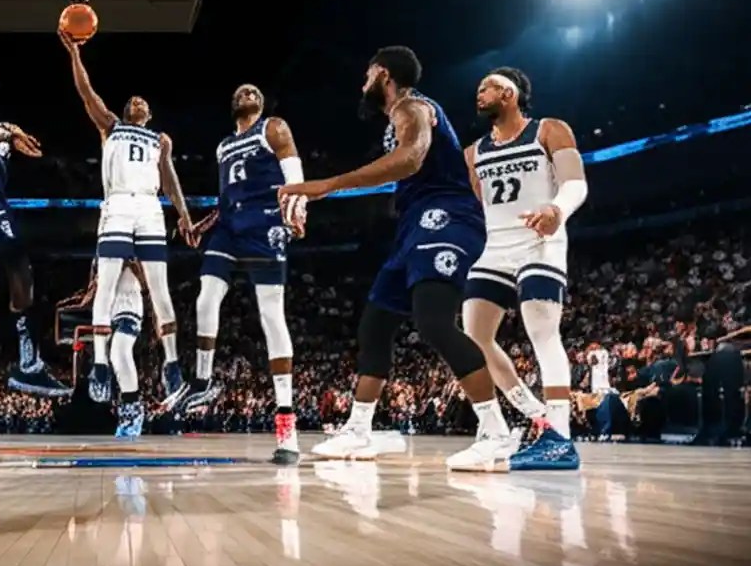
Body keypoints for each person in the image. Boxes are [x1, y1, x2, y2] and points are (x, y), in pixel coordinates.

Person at [281, 46, 512, 471]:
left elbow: (411, 157)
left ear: (382, 74)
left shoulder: (413, 106)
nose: (362, 83)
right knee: (376, 324)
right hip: (414, 226)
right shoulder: (397, 116)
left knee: (434, 321)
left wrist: (329, 184)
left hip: (445, 216)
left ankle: (496, 433)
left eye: (367, 75)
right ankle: (359, 429)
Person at [59, 31, 195, 410]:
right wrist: (74, 54)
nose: (136, 100)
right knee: (105, 288)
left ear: (148, 114)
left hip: (150, 209)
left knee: (161, 291)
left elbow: (169, 179)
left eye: (142, 100)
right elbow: (87, 93)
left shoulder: (159, 141)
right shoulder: (111, 126)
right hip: (117, 205)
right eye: (132, 99)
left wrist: (183, 215)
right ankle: (100, 364)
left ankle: (171, 363)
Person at [461, 66, 586, 470]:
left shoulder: (550, 130)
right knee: (473, 336)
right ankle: (536, 416)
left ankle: (561, 439)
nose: (479, 94)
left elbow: (575, 182)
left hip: (541, 242)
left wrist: (557, 209)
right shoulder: (473, 152)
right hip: (496, 247)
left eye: (488, 88)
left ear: (509, 93)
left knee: (541, 331)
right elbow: (485, 207)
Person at [185, 82, 305, 466]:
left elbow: (293, 170)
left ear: (263, 101)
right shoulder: (222, 146)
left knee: (271, 315)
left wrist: (297, 207)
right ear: (231, 103)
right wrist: (205, 223)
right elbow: (226, 197)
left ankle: (286, 423)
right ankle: (203, 382)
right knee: (205, 297)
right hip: (229, 227)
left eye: (254, 90)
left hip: (264, 223)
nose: (247, 92)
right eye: (239, 91)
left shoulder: (273, 128)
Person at [0, 72, 71, 397]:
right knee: (14, 263)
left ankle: (27, 359)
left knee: (21, 272)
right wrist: (7, 133)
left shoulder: (5, 127)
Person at [61, 259, 156, 438]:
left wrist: (127, 264)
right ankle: (108, 386)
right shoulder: (99, 255)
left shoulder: (136, 247)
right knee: (103, 357)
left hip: (129, 303)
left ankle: (132, 411)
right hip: (108, 311)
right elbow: (94, 287)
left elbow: (148, 282)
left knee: (119, 353)